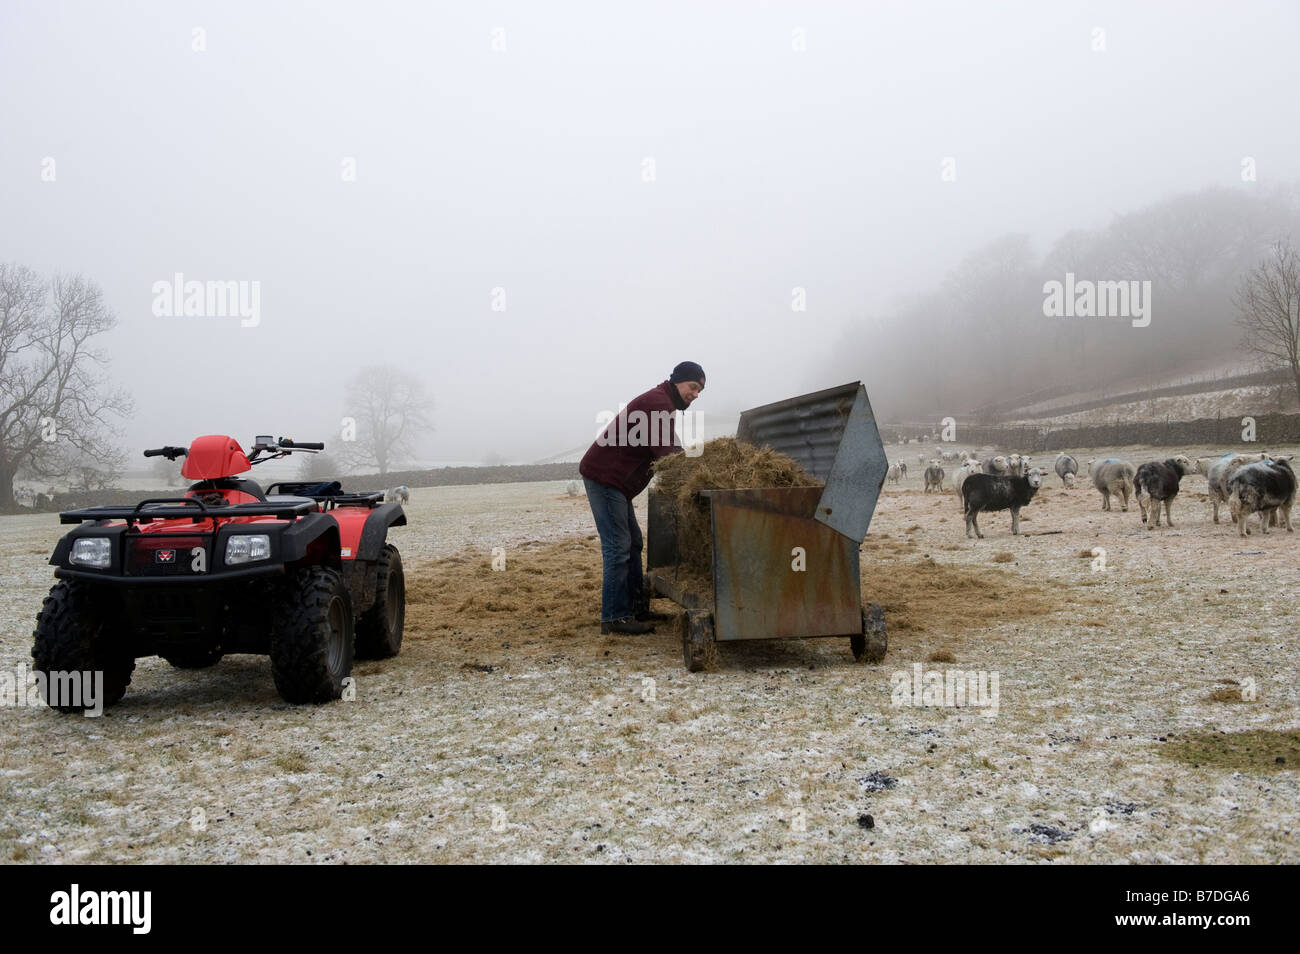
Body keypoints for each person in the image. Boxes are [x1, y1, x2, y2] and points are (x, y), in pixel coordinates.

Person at [579, 361, 705, 634]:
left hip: (616, 485)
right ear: (677, 381)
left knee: (633, 543)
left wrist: (693, 466)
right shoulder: (658, 403)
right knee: (618, 546)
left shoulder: (663, 403)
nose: (695, 394)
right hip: (605, 479)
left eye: (700, 391)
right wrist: (695, 479)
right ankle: (614, 618)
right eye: (693, 387)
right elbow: (666, 455)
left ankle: (636, 609)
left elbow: (670, 445)